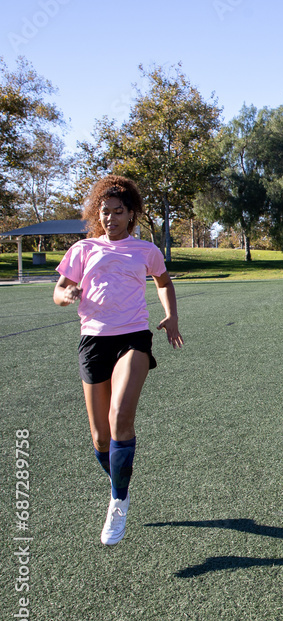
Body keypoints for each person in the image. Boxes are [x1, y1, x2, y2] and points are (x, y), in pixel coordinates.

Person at [53, 175, 183, 546]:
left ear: (131, 215)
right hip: (93, 341)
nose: (110, 218)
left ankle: (118, 503)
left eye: (118, 212)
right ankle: (119, 483)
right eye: (104, 212)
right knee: (100, 437)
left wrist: (170, 315)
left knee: (119, 418)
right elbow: (59, 291)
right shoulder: (83, 249)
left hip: (133, 338)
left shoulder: (144, 250)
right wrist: (69, 294)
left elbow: (163, 281)